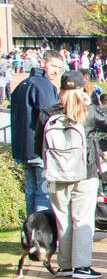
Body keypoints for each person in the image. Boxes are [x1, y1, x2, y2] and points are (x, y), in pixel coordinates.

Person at [40, 76, 107, 279]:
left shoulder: (48, 113)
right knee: (82, 218)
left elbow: (40, 142)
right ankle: (81, 265)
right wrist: (89, 102)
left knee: (62, 218)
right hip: (85, 171)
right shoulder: (88, 111)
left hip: (56, 174)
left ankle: (64, 265)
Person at [9, 49, 62, 218]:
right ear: (43, 63)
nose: (56, 71)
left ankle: (30, 231)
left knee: (31, 192)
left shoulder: (22, 85)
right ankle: (42, 234)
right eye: (53, 66)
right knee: (46, 192)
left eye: (59, 68)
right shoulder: (45, 86)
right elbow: (52, 118)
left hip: (24, 149)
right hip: (41, 150)